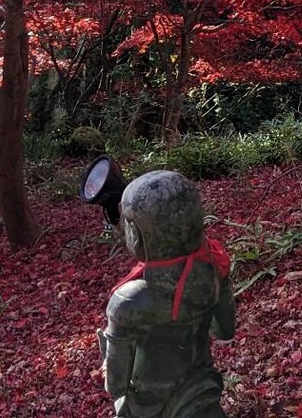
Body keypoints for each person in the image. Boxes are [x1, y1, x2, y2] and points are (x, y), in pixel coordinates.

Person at [100, 170, 235, 418]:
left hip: (150, 405)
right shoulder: (214, 269)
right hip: (203, 390)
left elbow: (116, 385)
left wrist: (107, 356)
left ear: (138, 234)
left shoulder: (129, 301)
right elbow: (225, 332)